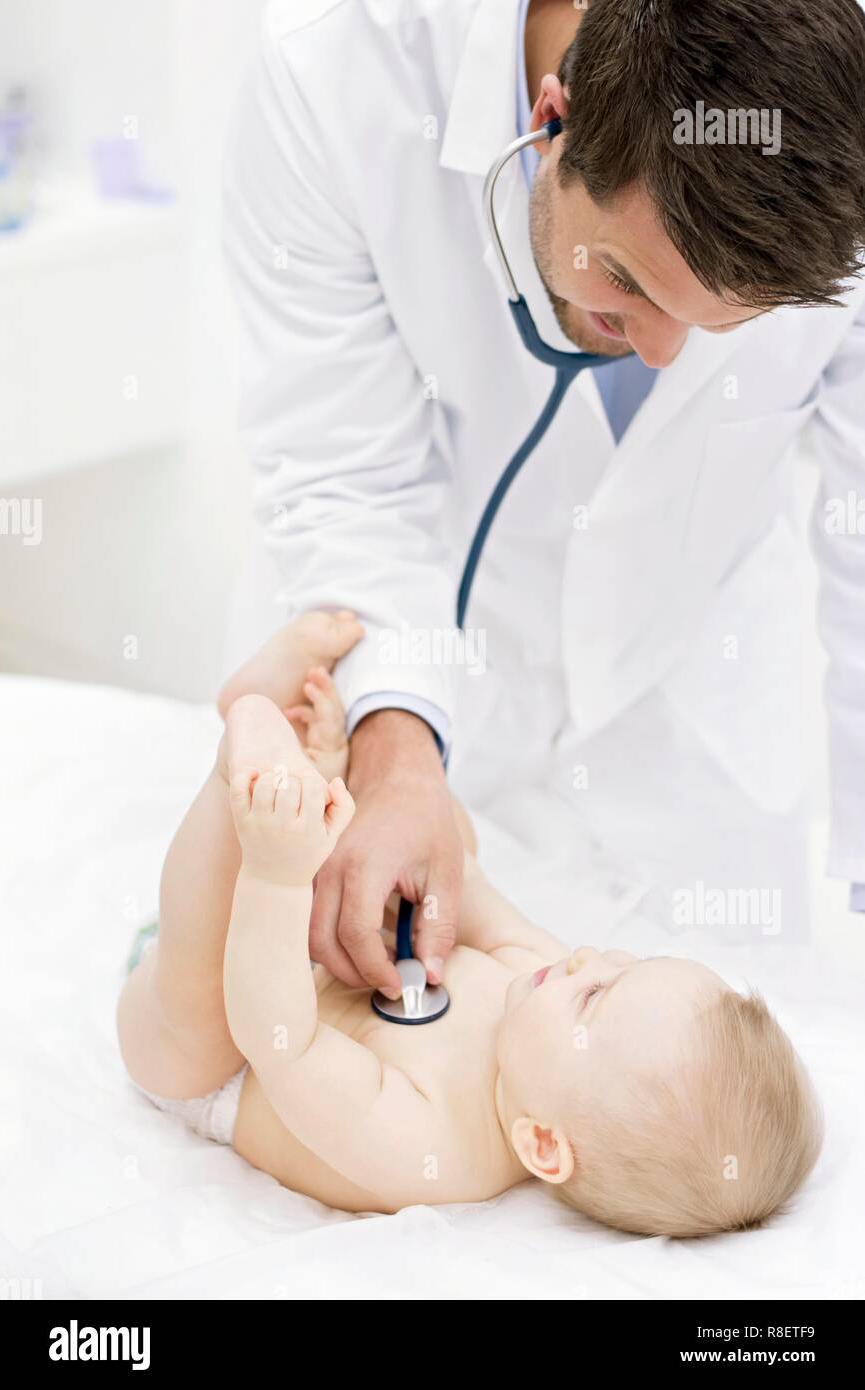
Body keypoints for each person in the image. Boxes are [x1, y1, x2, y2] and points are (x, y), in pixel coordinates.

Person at [220, 0, 865, 996]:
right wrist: (396, 753)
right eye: (623, 282)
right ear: (550, 115)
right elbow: (344, 477)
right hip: (426, 684)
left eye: (718, 325)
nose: (655, 349)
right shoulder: (339, 67)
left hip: (698, 730)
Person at [117, 612, 823, 1236]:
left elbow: (280, 1041)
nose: (588, 959)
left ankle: (241, 750)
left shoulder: (431, 1145)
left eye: (597, 996)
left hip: (229, 1067)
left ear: (543, 1144)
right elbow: (469, 884)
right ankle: (313, 755)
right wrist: (413, 814)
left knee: (200, 1011)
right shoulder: (541, 983)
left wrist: (276, 875)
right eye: (626, 962)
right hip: (305, 963)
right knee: (442, 850)